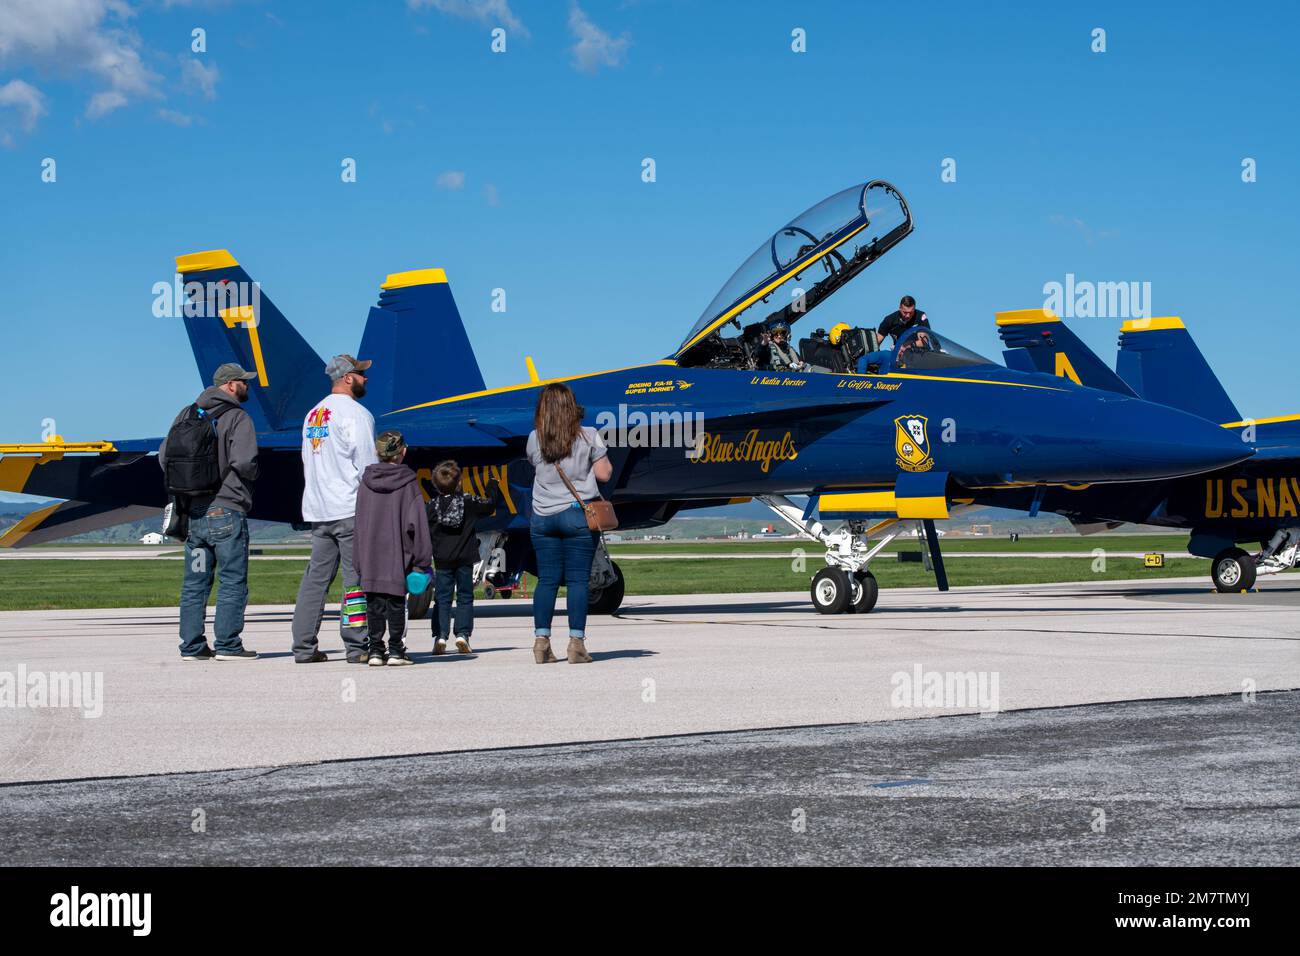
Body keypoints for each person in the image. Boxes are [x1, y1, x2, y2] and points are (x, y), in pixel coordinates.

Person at [159, 362, 261, 661]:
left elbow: (165, 458)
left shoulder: (187, 413)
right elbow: (244, 462)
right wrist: (250, 478)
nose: (247, 386)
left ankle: (192, 646)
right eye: (243, 382)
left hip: (194, 514)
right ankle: (228, 645)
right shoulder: (237, 417)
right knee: (232, 579)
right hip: (226, 510)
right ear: (230, 385)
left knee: (195, 582)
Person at [290, 354, 379, 664]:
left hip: (318, 509)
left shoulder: (313, 414)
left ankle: (303, 645)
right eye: (361, 373)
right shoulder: (355, 414)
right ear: (347, 378)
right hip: (349, 507)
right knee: (355, 581)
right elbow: (369, 465)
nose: (366, 378)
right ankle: (356, 646)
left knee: (316, 578)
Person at [526, 382, 612, 664]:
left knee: (547, 580)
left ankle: (541, 641)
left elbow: (535, 466)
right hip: (577, 514)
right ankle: (576, 643)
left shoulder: (534, 438)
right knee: (577, 581)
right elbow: (604, 475)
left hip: (542, 516)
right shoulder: (588, 436)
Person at [354, 431, 431, 667]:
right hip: (398, 554)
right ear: (403, 452)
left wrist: (358, 560)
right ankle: (396, 650)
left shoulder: (365, 483)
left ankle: (376, 650)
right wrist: (422, 561)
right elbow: (417, 523)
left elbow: (359, 523)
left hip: (369, 556)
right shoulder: (408, 484)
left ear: (378, 452)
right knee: (396, 603)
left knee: (373, 605)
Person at [427, 459, 498, 655]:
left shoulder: (431, 506)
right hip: (464, 559)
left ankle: (440, 636)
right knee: (465, 597)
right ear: (459, 483)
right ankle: (462, 634)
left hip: (442, 560)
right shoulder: (468, 502)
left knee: (442, 598)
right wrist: (492, 486)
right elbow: (490, 506)